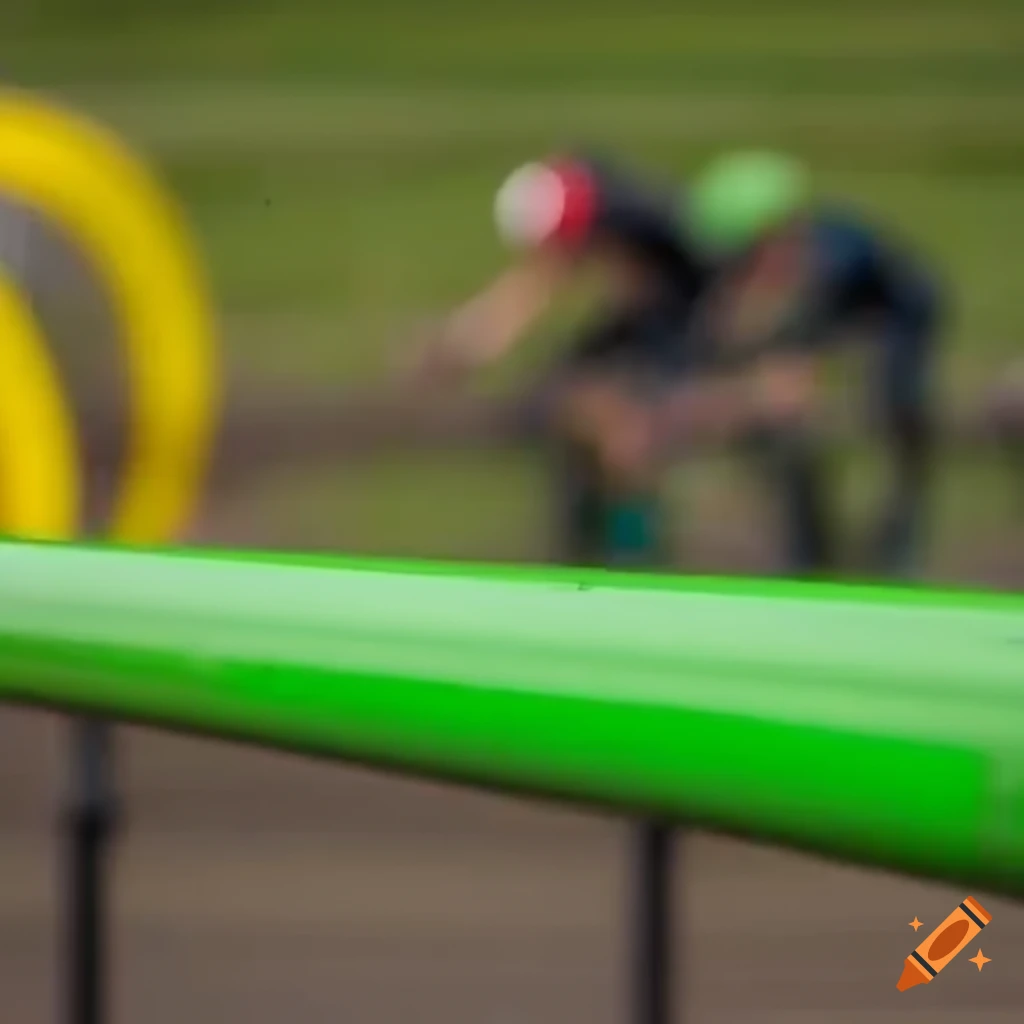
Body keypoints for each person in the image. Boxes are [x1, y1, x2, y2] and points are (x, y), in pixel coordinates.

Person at [407, 151, 711, 567]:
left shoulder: (633, 222)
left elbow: (534, 290)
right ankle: (593, 552)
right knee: (572, 403)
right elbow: (533, 285)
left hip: (687, 322)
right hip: (651, 314)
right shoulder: (587, 194)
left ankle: (635, 559)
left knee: (626, 437)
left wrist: (462, 347)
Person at [673, 150, 945, 578]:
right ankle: (812, 552)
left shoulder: (832, 264)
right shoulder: (794, 260)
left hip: (888, 333)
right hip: (841, 339)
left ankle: (888, 543)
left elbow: (799, 363)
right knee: (789, 434)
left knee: (889, 410)